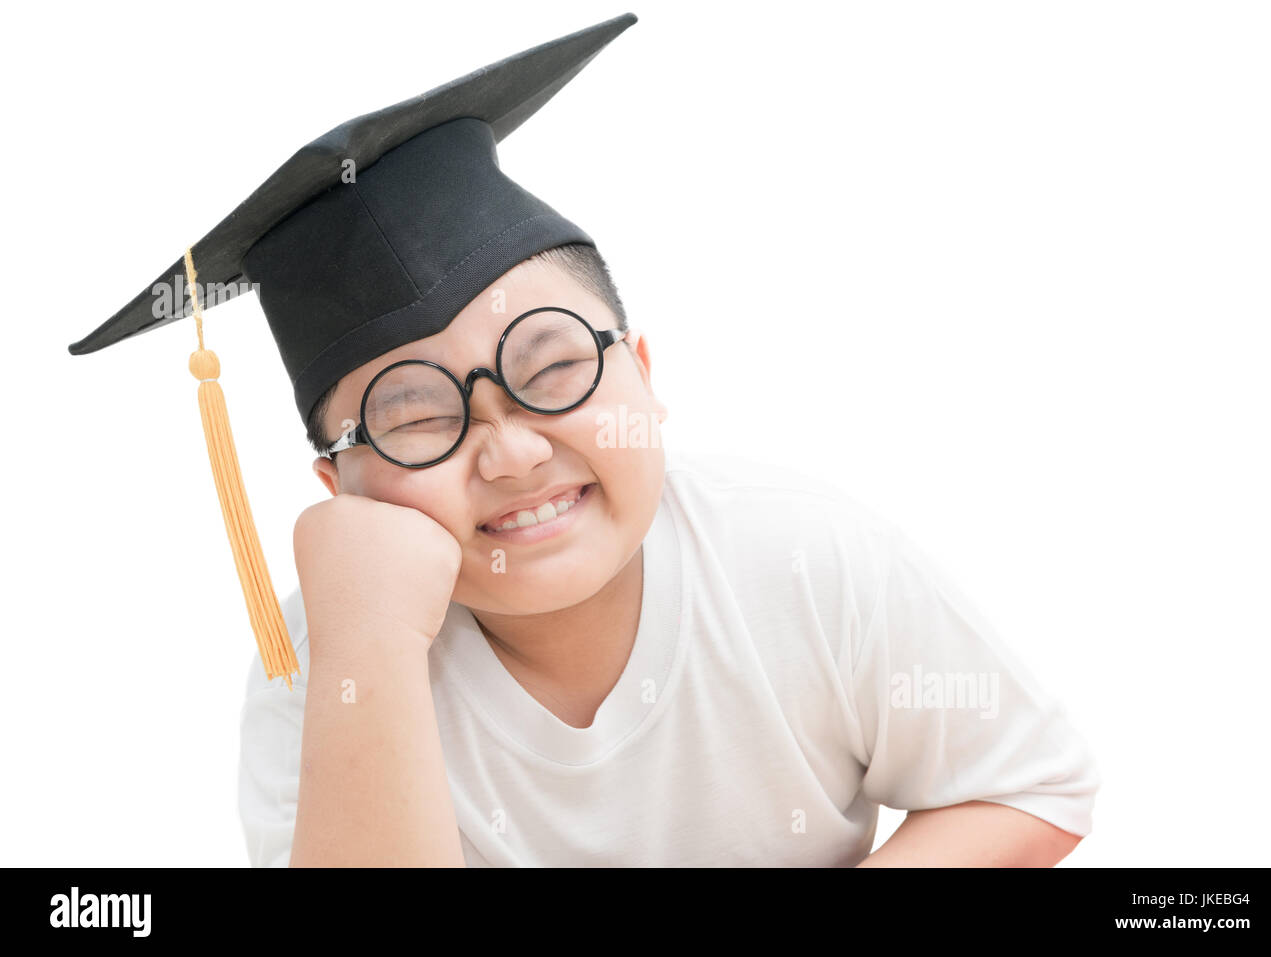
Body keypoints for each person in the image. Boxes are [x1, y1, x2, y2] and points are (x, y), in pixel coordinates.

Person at [68, 12, 1100, 867]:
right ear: (342, 487)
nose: (510, 452)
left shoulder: (798, 558)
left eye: (551, 370)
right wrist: (371, 647)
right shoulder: (320, 666)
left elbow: (1030, 783)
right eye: (418, 416)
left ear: (641, 375)